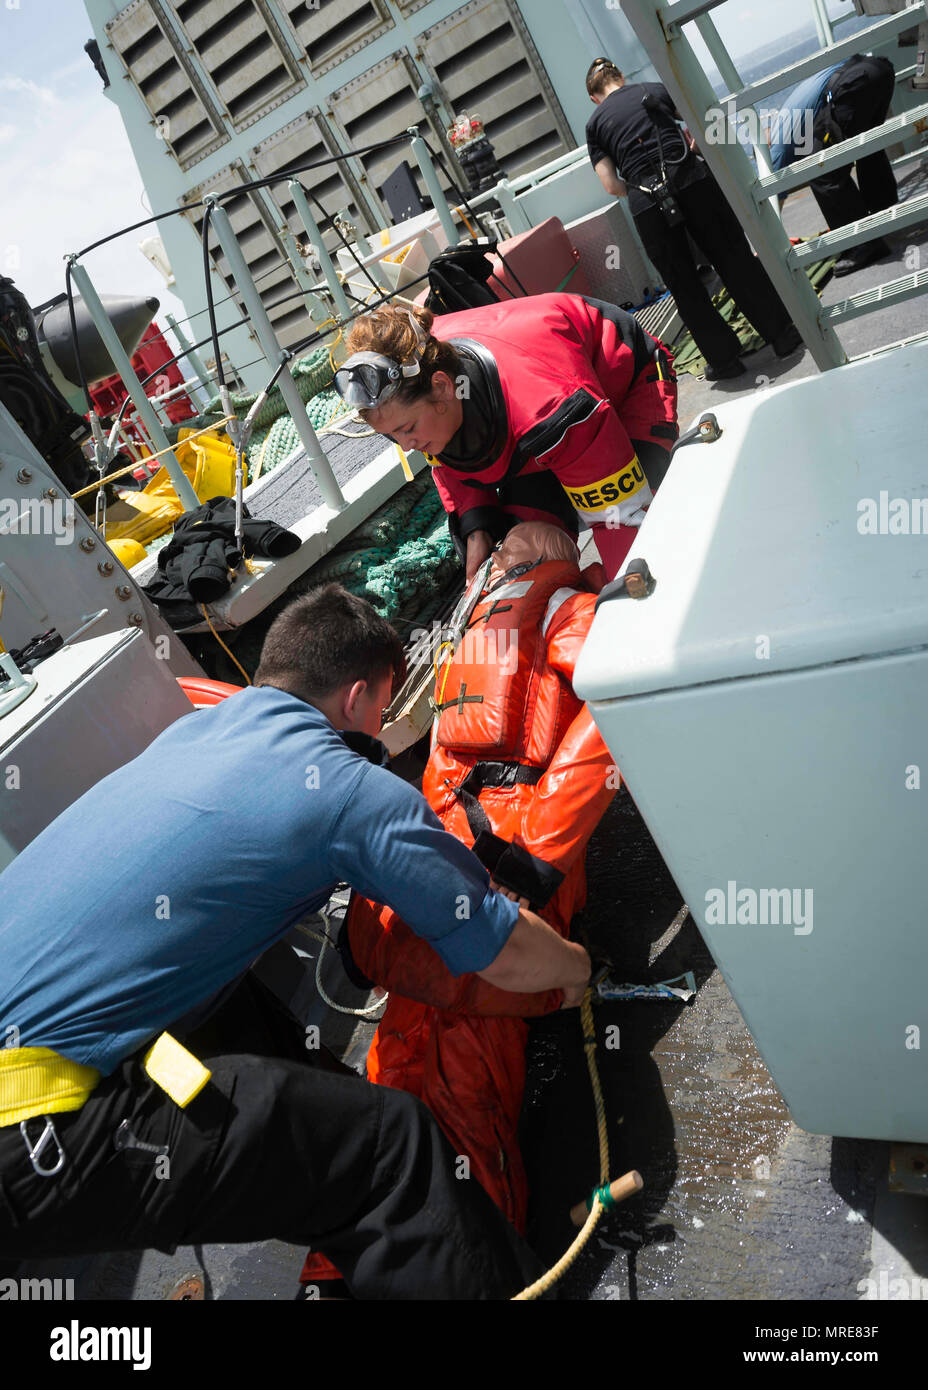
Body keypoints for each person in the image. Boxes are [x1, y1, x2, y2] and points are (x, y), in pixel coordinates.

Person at [0, 584, 591, 1300]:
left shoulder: (191, 735)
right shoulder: (344, 790)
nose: (380, 728)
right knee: (392, 1148)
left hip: (42, 1055)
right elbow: (502, 950)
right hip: (33, 1128)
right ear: (356, 698)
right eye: (381, 707)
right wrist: (577, 973)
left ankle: (335, 1178)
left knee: (238, 1014)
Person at [300, 524, 617, 1294]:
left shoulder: (522, 621)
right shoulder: (529, 619)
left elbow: (602, 717)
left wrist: (524, 861)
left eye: (508, 555)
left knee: (426, 1074)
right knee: (432, 1077)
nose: (493, 564)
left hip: (463, 864)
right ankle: (423, 1263)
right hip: (475, 869)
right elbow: (608, 708)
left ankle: (376, 1265)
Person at [333, 294, 679, 585]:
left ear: (442, 387)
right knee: (524, 558)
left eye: (407, 430)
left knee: (640, 546)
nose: (406, 445)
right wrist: (477, 529)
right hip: (532, 432)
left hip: (625, 381)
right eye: (391, 436)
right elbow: (452, 469)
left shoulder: (552, 410)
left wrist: (628, 595)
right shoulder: (425, 388)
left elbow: (620, 519)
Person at [585, 57, 803, 380]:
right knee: (733, 257)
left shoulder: (595, 124)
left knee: (683, 283)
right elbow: (701, 128)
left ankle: (725, 360)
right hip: (690, 178)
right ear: (621, 76)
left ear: (594, 97)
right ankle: (783, 335)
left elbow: (611, 185)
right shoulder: (652, 90)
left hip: (647, 202)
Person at [768, 53, 898, 277]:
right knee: (866, 147)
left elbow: (773, 199)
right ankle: (882, 212)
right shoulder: (788, 118)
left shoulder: (778, 145)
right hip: (878, 70)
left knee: (821, 168)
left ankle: (864, 244)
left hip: (853, 84)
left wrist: (769, 246)